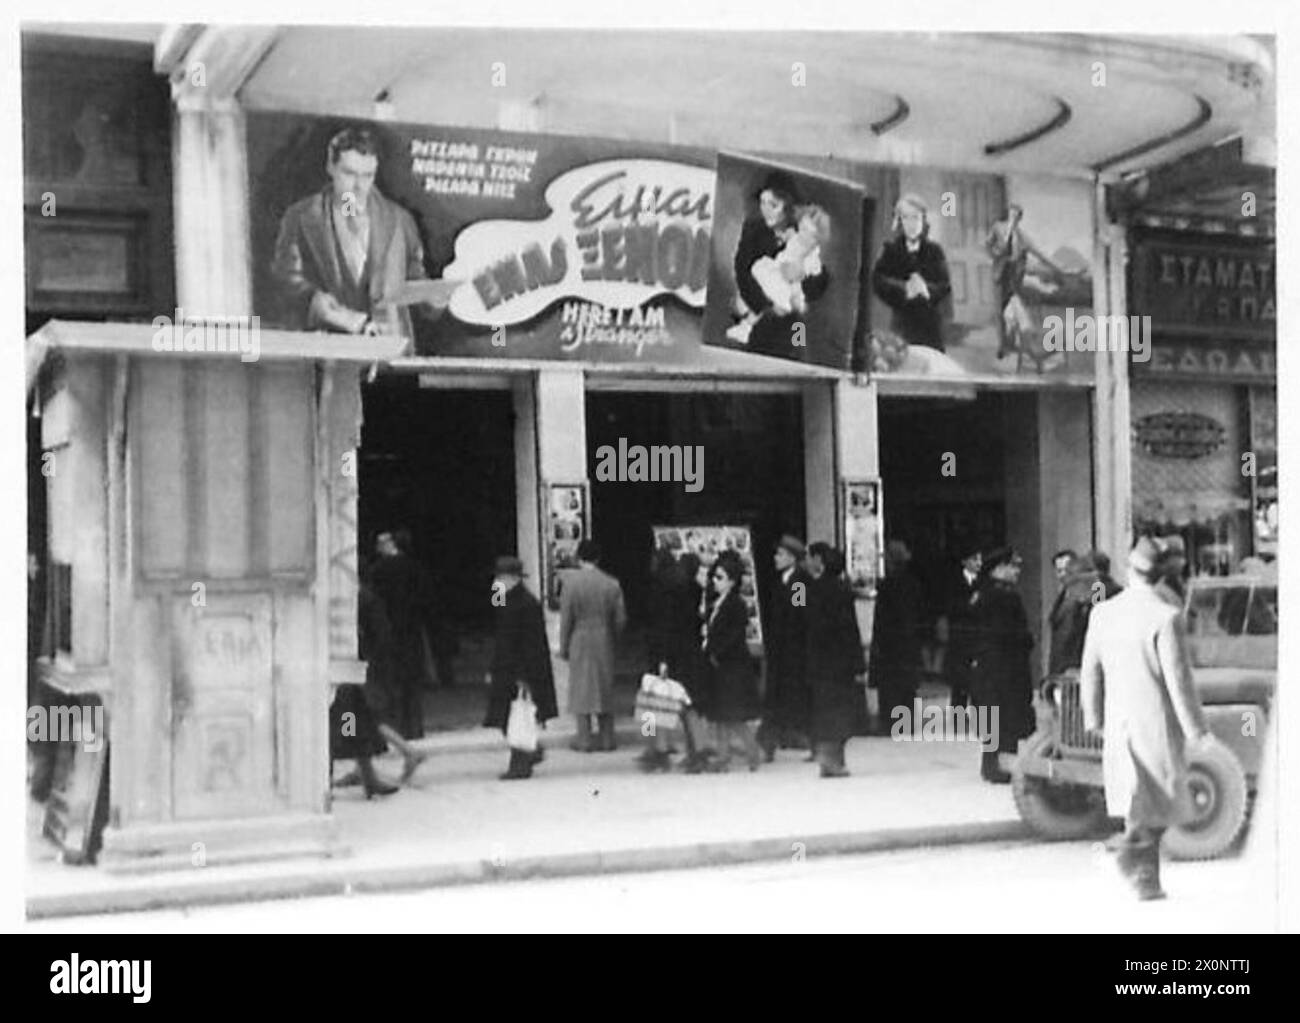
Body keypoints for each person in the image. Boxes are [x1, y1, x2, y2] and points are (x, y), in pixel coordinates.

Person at [1081, 537, 1211, 900]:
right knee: (1154, 805)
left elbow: (1089, 671)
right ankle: (1129, 864)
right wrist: (1196, 729)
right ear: (1159, 577)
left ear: (1128, 569)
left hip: (1118, 725)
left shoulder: (1102, 612)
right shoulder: (1166, 617)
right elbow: (1178, 680)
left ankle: (1143, 878)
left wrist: (1093, 717)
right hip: (1155, 726)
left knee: (1138, 804)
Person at [271, 126, 434, 338]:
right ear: (331, 167)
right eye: (349, 174)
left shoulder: (399, 220)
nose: (358, 186)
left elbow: (416, 282)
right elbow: (286, 281)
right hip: (329, 350)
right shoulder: (302, 218)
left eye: (367, 176)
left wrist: (434, 299)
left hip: (389, 353)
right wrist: (320, 306)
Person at [729, 171, 831, 359]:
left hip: (793, 318)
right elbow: (742, 270)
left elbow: (820, 280)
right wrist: (766, 306)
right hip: (762, 310)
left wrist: (802, 275)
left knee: (796, 351)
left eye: (773, 205)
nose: (765, 210)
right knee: (755, 355)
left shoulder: (803, 231)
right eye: (763, 203)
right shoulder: (754, 230)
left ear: (787, 206)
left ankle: (796, 355)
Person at [483, 556, 558, 780]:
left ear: (511, 578)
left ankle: (521, 762)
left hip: (519, 670)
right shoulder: (506, 600)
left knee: (518, 717)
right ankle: (529, 752)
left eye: (501, 577)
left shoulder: (526, 604)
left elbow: (530, 645)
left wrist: (524, 676)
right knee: (507, 716)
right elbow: (498, 623)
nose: (497, 581)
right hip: (506, 667)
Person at [968, 546, 1035, 784]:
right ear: (999, 568)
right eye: (1013, 565)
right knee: (1004, 719)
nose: (1017, 571)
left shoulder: (981, 593)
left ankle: (992, 764)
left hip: (989, 668)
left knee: (994, 719)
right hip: (1003, 669)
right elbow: (1011, 635)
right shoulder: (1003, 596)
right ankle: (1000, 765)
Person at [330, 581, 400, 798]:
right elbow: (382, 635)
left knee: (351, 723)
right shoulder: (363, 599)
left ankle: (364, 776)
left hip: (347, 668)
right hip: (352, 669)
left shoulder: (346, 597)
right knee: (347, 723)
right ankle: (363, 776)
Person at [367, 528, 437, 742]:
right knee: (412, 684)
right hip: (411, 632)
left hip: (386, 633)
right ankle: (414, 728)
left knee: (391, 683)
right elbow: (427, 598)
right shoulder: (414, 568)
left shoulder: (377, 571)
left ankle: (394, 729)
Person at [559, 539, 628, 753]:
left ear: (579, 557)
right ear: (598, 558)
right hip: (604, 637)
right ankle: (608, 738)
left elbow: (566, 618)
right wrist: (614, 637)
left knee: (581, 689)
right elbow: (621, 619)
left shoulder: (570, 584)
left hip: (580, 637)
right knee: (604, 687)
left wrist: (564, 646)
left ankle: (584, 739)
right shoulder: (612, 583)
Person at [806, 546, 867, 778]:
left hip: (822, 658)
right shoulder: (841, 589)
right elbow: (851, 630)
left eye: (809, 557)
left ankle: (828, 758)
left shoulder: (808, 587)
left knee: (827, 710)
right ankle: (833, 758)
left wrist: (798, 583)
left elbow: (797, 609)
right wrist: (857, 661)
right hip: (839, 660)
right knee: (837, 710)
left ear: (819, 560)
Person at [701, 551, 764, 771]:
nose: (714, 582)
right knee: (722, 715)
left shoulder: (798, 584)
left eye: (720, 578)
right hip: (721, 666)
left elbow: (798, 605)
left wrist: (716, 651)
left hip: (731, 665)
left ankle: (751, 752)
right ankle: (723, 754)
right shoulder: (716, 603)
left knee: (733, 715)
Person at [639, 549, 701, 772]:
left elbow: (663, 625)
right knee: (680, 704)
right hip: (683, 653)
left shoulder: (661, 589)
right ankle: (694, 748)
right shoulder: (687, 588)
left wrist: (662, 658)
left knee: (652, 705)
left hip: (660, 654)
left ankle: (654, 748)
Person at [871, 193, 952, 351]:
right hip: (901, 323)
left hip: (930, 325)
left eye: (916, 218)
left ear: (924, 221)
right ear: (900, 222)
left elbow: (944, 285)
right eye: (906, 218)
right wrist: (905, 289)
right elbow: (878, 280)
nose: (912, 224)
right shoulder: (890, 250)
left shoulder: (935, 251)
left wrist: (925, 289)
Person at [759, 534, 812, 761]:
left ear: (792, 557)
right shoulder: (780, 581)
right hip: (779, 650)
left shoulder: (799, 582)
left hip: (793, 651)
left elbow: (799, 616)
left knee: (791, 695)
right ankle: (775, 737)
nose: (775, 558)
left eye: (780, 554)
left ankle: (790, 735)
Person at [868, 539, 925, 735]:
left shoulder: (886, 586)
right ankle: (905, 723)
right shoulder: (914, 584)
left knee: (890, 687)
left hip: (890, 645)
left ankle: (889, 723)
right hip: (908, 643)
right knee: (906, 687)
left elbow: (881, 619)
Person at [939, 544, 982, 710]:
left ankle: (981, 722)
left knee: (978, 684)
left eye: (979, 559)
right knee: (959, 683)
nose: (978, 563)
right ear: (965, 562)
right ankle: (958, 720)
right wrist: (969, 603)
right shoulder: (953, 582)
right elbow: (950, 607)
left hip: (977, 639)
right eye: (974, 559)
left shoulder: (983, 582)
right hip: (959, 639)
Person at [1048, 551, 1100, 675]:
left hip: (1077, 665)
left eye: (1067, 570)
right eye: (1059, 570)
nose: (1063, 574)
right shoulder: (1062, 596)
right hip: (1059, 665)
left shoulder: (1091, 593)